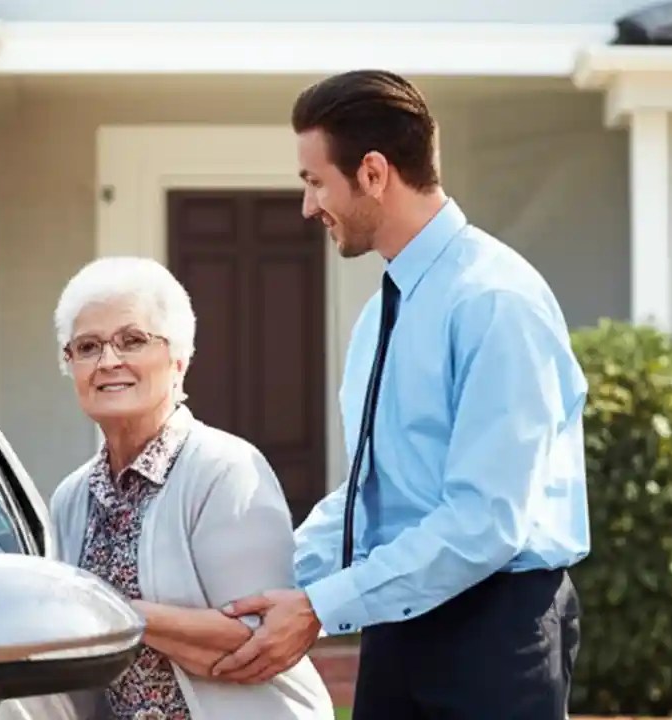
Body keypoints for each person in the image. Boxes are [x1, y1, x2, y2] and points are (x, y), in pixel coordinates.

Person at [210, 70, 590, 719]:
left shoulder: (494, 302)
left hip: (493, 639)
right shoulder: (382, 313)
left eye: (315, 181)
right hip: (399, 623)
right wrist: (258, 584)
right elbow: (369, 497)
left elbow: (484, 523)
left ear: (375, 173)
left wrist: (322, 606)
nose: (307, 207)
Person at [48, 256, 334, 720]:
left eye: (132, 340)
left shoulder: (226, 470)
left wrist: (105, 611)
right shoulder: (72, 498)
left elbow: (256, 643)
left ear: (179, 359)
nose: (108, 361)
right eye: (87, 347)